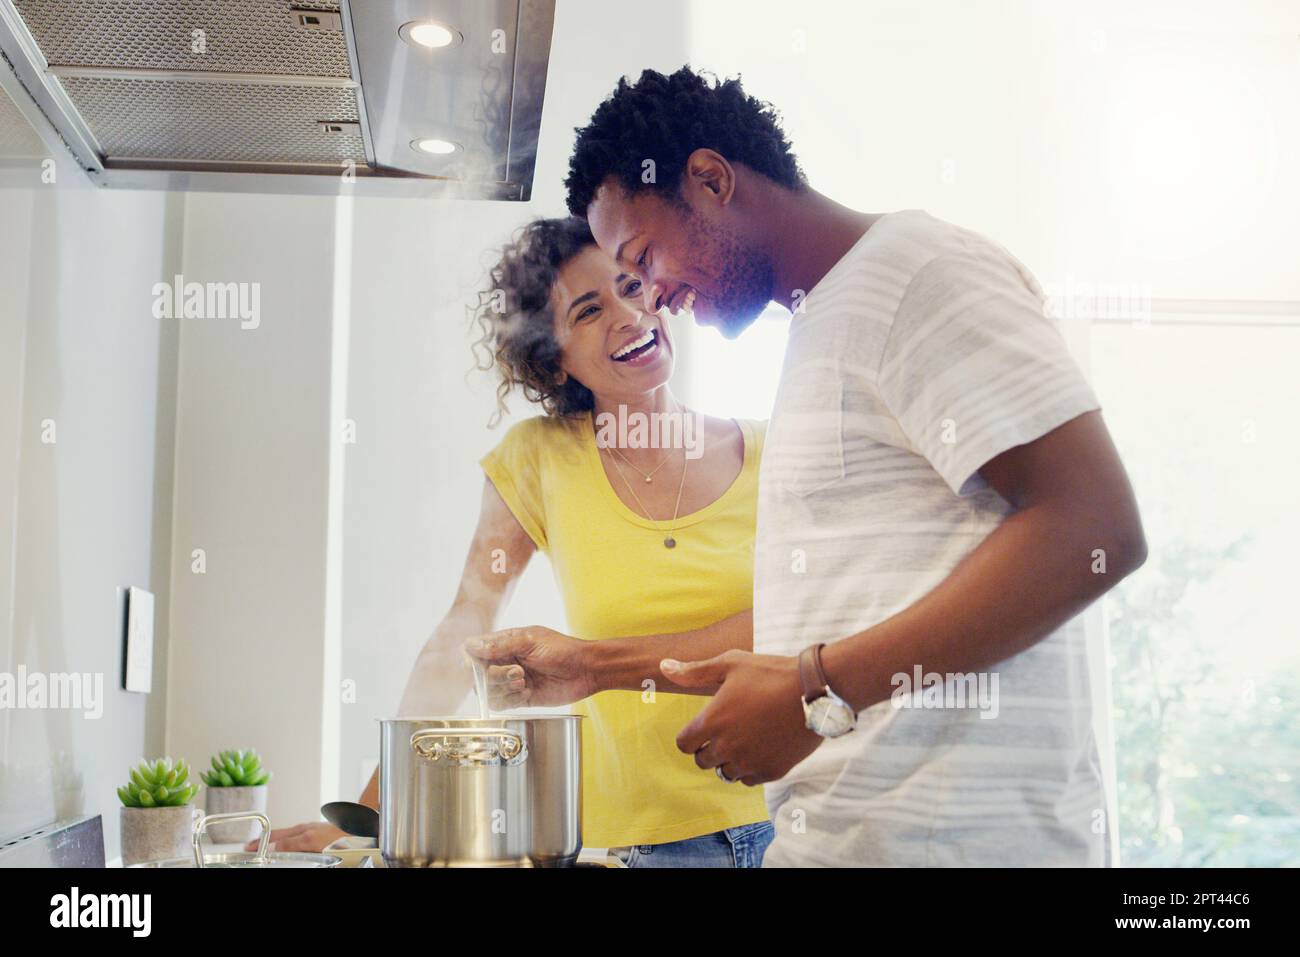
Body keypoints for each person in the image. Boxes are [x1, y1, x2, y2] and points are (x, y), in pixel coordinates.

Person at [477, 67, 1147, 867]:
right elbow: (869, 604)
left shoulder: (919, 274)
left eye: (643, 258)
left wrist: (813, 690)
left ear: (712, 180)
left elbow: (1093, 527)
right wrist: (641, 668)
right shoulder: (821, 325)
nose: (650, 295)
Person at [262, 217, 773, 867]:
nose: (627, 316)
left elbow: (803, 626)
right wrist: (377, 816)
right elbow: (463, 628)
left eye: (632, 286)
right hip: (637, 845)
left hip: (792, 820)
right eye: (588, 310)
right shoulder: (540, 459)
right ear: (555, 356)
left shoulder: (770, 451)